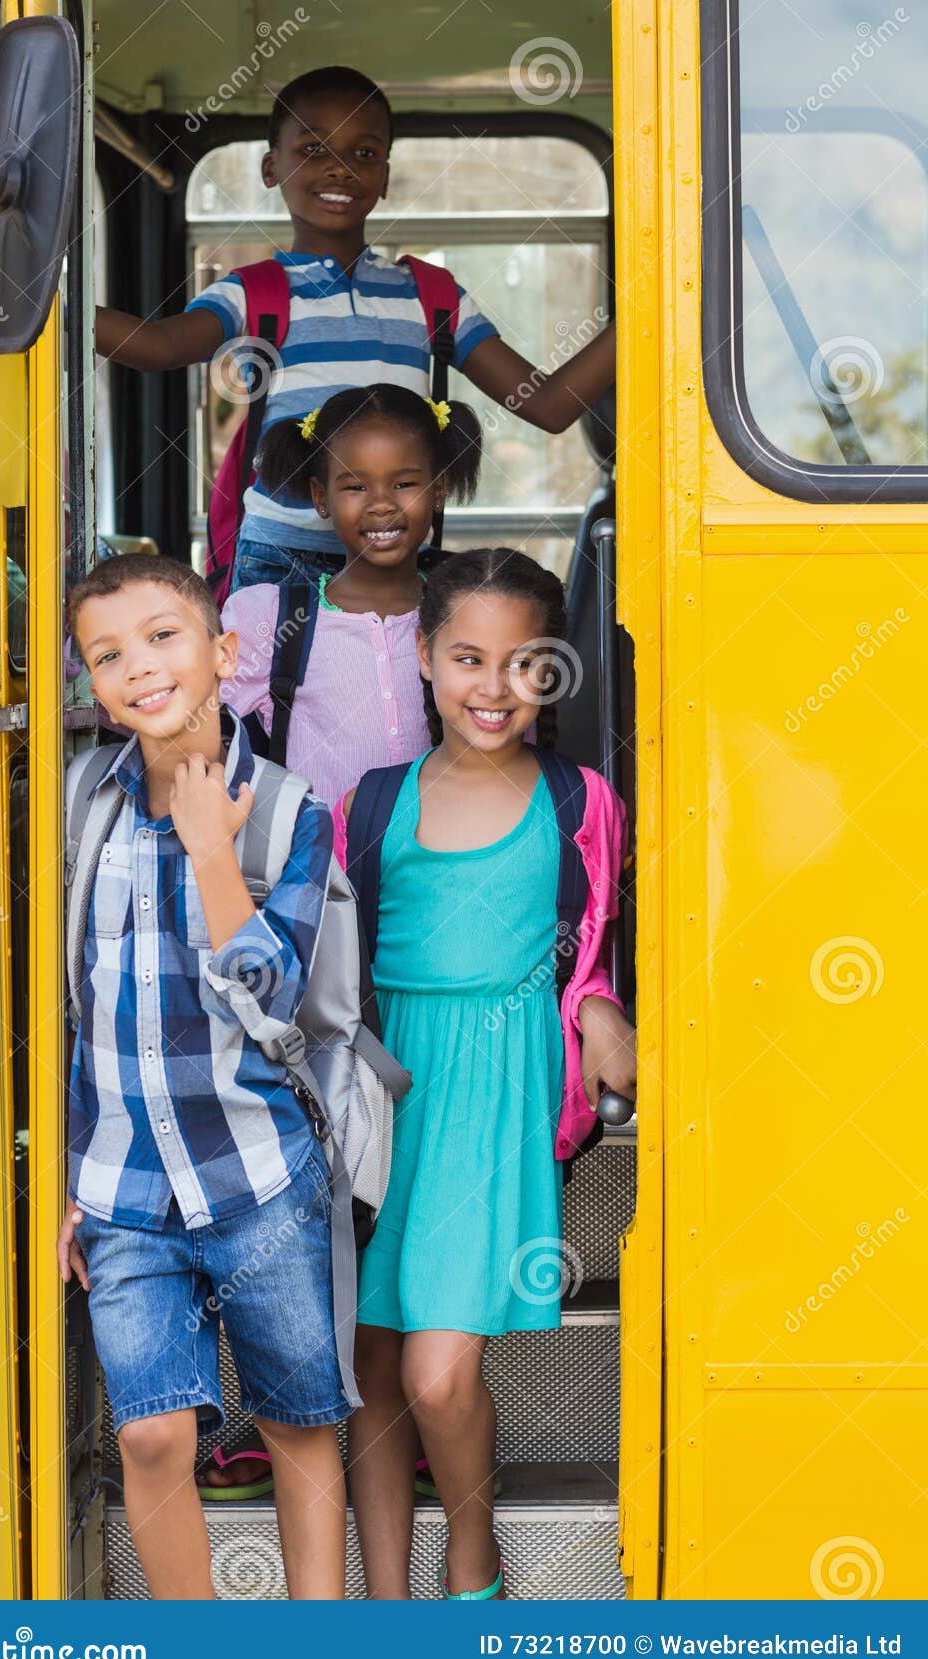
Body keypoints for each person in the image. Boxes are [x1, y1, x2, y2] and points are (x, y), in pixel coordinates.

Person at [332, 549, 636, 1600]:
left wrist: (596, 1005)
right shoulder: (369, 804)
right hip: (383, 1097)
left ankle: (472, 1559)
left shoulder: (579, 801)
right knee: (369, 1367)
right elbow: (331, 961)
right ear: (422, 657)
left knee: (435, 1368)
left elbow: (589, 940)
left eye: (521, 664)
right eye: (466, 657)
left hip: (498, 1097)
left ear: (551, 672)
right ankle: (384, 1605)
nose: (491, 687)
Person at [56, 553, 356, 1600]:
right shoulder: (78, 807)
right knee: (148, 1434)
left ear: (224, 654)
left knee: (296, 1426)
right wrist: (63, 1176)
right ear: (87, 680)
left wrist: (212, 857)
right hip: (122, 1189)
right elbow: (67, 1008)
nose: (138, 666)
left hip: (259, 1180)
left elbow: (270, 998)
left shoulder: (287, 812)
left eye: (161, 636)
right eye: (107, 653)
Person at [96, 64, 616, 592]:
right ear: (271, 168)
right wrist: (50, 300)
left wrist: (649, 309)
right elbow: (154, 346)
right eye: (314, 149)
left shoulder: (431, 296)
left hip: (396, 563)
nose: (341, 168)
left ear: (385, 177)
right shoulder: (254, 292)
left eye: (364, 154)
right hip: (279, 563)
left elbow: (548, 405)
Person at [222, 382, 481, 806]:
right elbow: (198, 727)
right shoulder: (267, 617)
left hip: (441, 870)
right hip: (316, 870)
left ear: (438, 489)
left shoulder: (469, 617)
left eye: (404, 484)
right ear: (321, 498)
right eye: (356, 487)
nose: (381, 504)